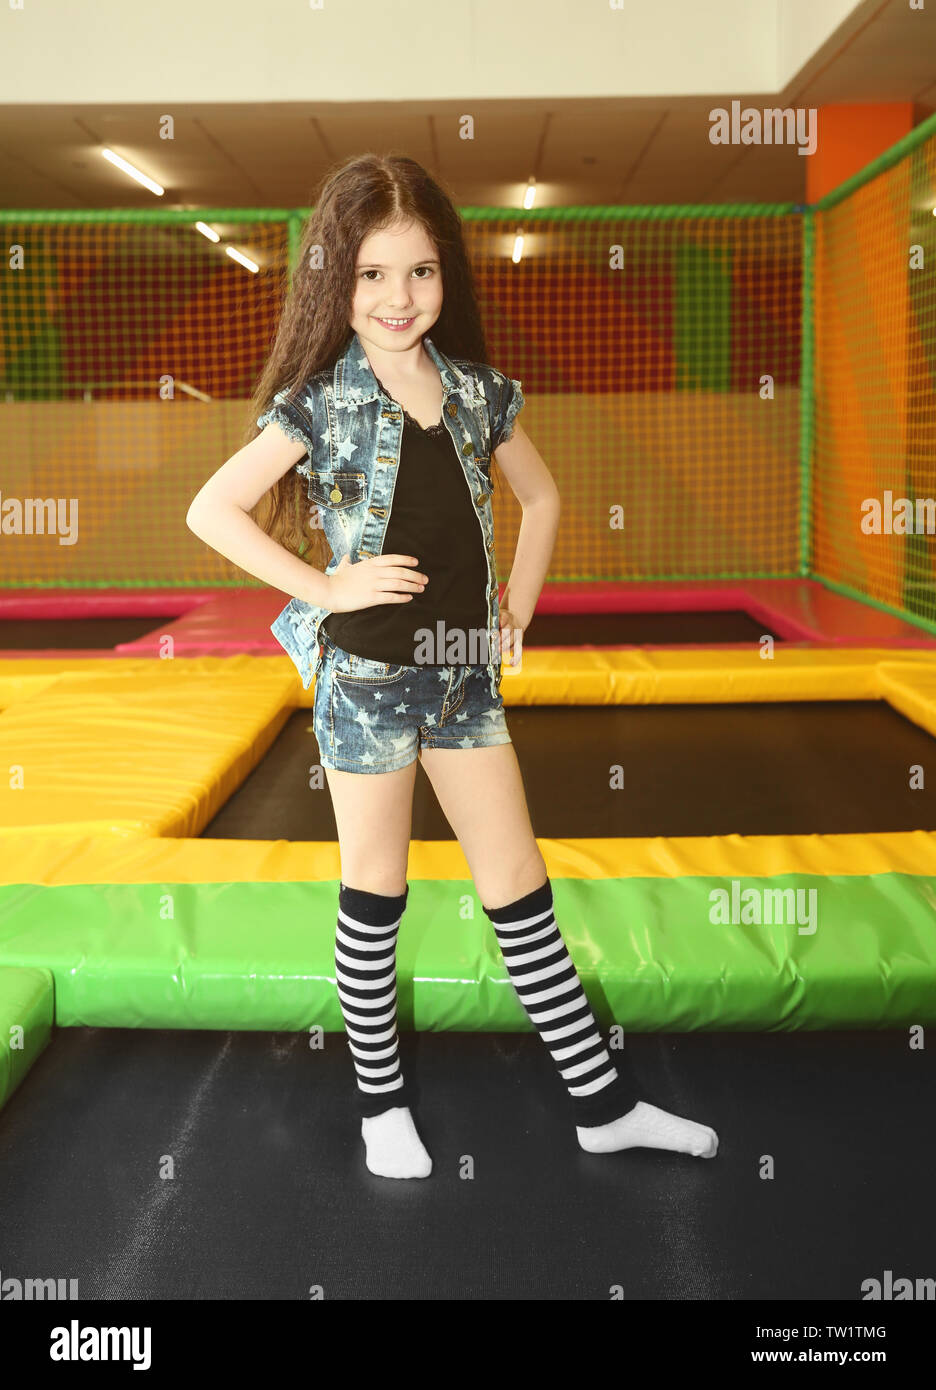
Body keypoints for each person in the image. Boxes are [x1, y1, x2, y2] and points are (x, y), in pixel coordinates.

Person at [186, 153, 718, 1180]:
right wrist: (326, 588)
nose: (398, 297)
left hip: (464, 674)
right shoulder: (319, 401)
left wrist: (516, 604)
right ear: (335, 279)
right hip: (368, 688)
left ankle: (601, 1104)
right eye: (373, 273)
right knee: (374, 888)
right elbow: (211, 509)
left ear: (448, 275)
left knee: (518, 883)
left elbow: (546, 500)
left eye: (420, 272)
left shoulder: (477, 391)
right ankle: (380, 1105)